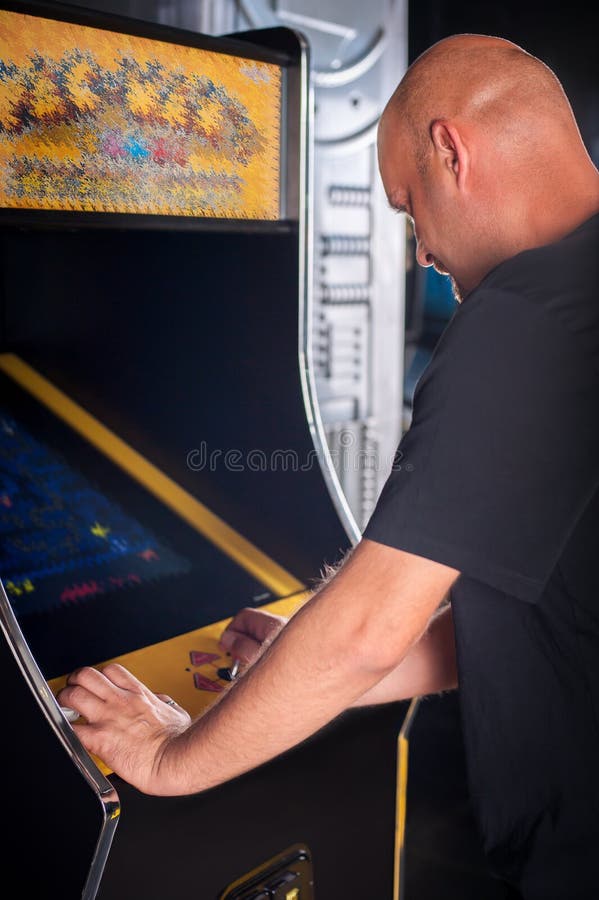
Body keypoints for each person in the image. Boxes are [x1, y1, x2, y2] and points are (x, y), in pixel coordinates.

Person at [57, 33, 599, 900]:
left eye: (408, 205)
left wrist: (171, 754)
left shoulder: (521, 316)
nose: (420, 250)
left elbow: (363, 630)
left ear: (450, 151)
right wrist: (296, 680)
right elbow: (524, 624)